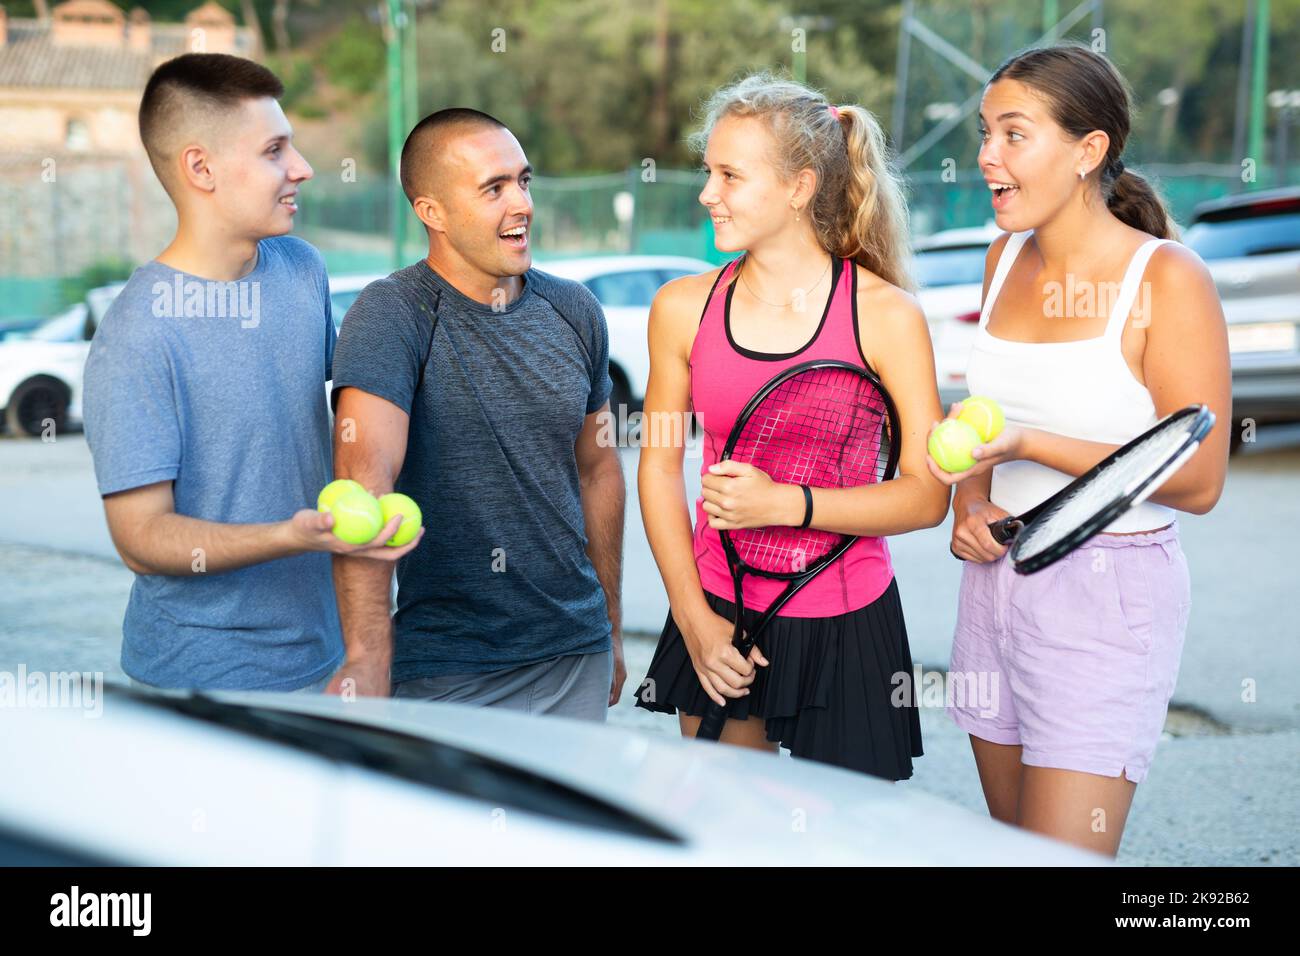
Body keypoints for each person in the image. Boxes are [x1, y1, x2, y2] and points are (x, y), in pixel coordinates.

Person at [929, 44, 1231, 856]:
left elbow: (1199, 478)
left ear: (1088, 150)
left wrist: (1029, 441)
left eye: (1013, 134)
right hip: (994, 589)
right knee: (1018, 852)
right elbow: (987, 418)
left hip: (1108, 596)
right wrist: (970, 499)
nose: (986, 155)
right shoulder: (1002, 260)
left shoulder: (1167, 279)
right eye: (985, 132)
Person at [633, 74, 951, 780]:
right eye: (707, 171)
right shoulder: (680, 309)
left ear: (800, 187)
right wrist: (692, 619)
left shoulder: (887, 315)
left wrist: (787, 503)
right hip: (717, 612)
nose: (706, 193)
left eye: (729, 176)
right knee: (733, 836)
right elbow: (657, 469)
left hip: (849, 618)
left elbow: (927, 498)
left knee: (842, 845)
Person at [82, 53, 418, 693]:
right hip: (204, 680)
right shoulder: (137, 335)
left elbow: (356, 413)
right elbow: (141, 538)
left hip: (326, 654)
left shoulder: (300, 270)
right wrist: (292, 536)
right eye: (274, 151)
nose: (303, 169)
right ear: (200, 169)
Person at [326, 109, 626, 719]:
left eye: (524, 180)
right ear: (431, 212)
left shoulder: (575, 310)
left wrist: (611, 625)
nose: (521, 204)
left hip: (576, 658)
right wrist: (366, 657)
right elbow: (363, 485)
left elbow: (598, 469)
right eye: (494, 188)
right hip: (449, 671)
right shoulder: (391, 316)